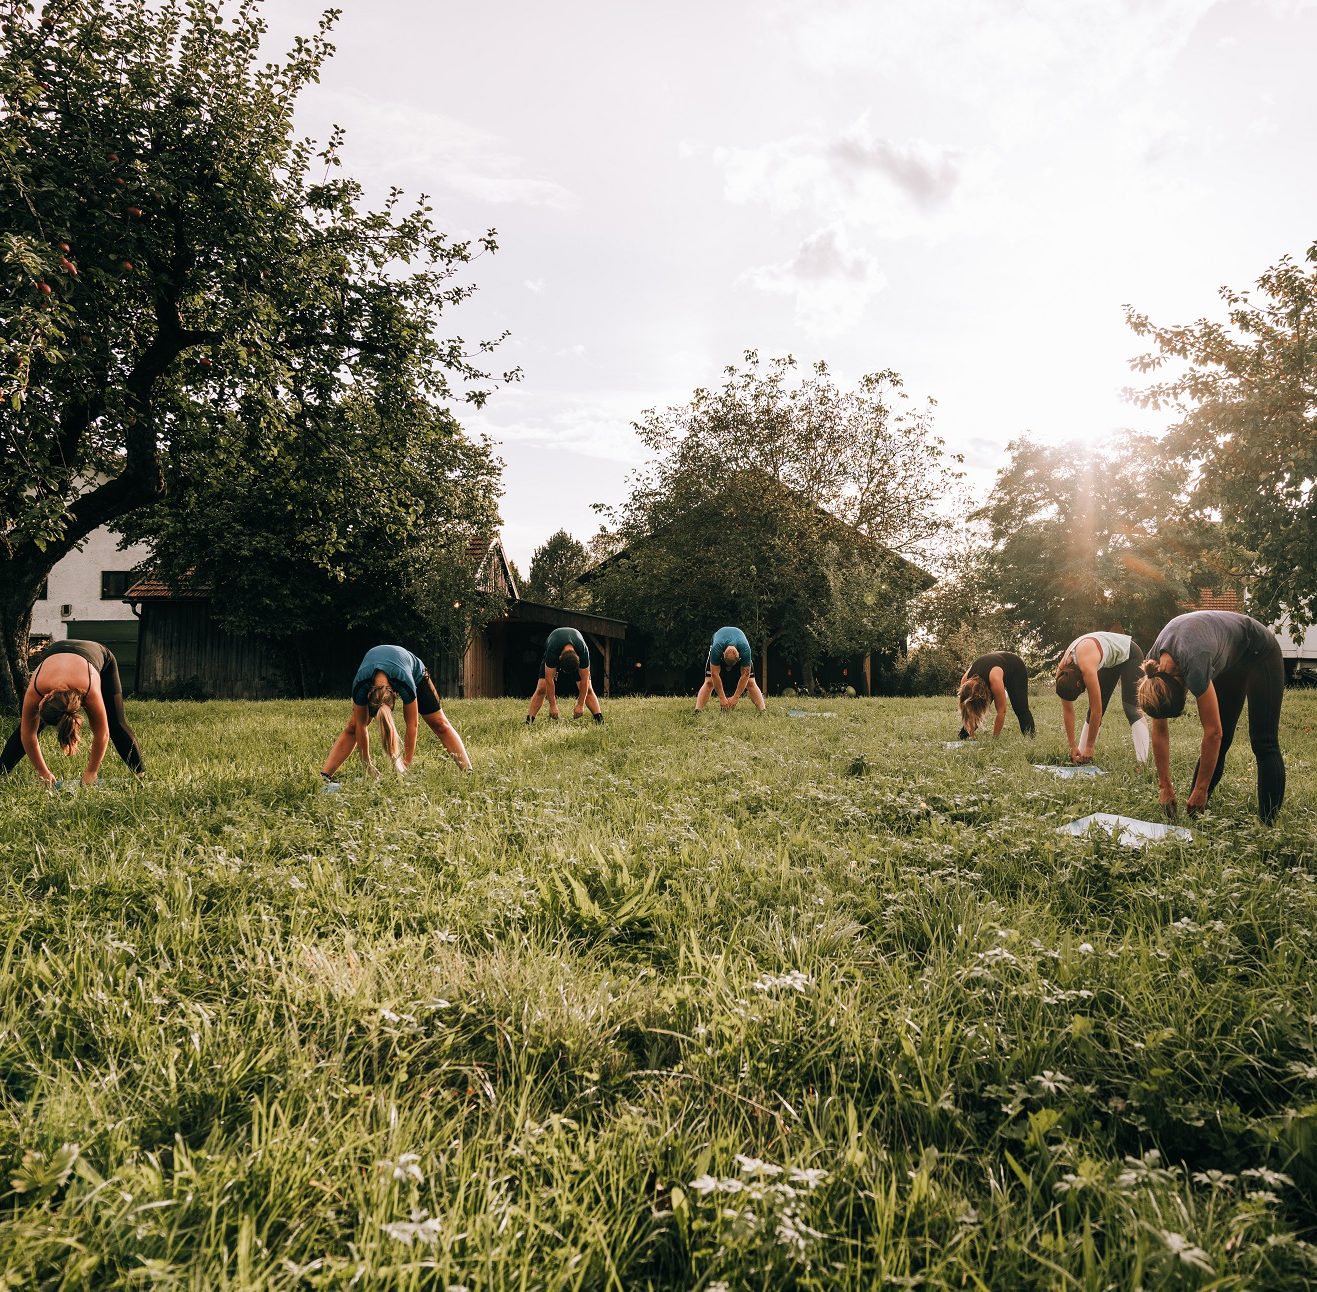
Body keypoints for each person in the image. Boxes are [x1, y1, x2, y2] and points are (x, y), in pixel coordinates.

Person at [1136, 610, 1284, 822]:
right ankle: (1196, 816)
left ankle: (1268, 827)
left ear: (1183, 683)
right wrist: (1164, 785)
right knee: (1221, 745)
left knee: (1264, 741)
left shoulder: (1194, 664)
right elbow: (1159, 729)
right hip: (1227, 656)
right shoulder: (1154, 670)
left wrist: (1201, 789)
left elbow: (1213, 733)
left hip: (1259, 652)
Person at [0, 638, 145, 785]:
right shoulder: (36, 689)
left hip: (97, 654)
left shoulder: (88, 690)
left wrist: (91, 772)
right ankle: (1, 774)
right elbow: (27, 734)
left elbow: (103, 733)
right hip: (57, 650)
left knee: (116, 723)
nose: (39, 702)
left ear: (47, 696)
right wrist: (43, 772)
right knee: (28, 727)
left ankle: (141, 774)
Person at [321, 644, 470, 784]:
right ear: (368, 695)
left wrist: (405, 764)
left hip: (415, 672)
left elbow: (412, 725)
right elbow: (361, 726)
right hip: (374, 671)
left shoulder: (405, 683)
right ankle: (325, 777)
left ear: (395, 695)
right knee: (353, 726)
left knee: (439, 723)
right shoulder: (361, 685)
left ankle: (469, 773)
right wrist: (367, 765)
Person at [1054, 631, 1150, 766]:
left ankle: (1143, 763)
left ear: (1079, 683)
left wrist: (1090, 747)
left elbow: (1096, 710)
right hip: (1109, 660)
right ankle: (1081, 757)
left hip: (1130, 654)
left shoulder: (1087, 668)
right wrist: (1072, 746)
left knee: (1131, 708)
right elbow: (1068, 711)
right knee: (1094, 710)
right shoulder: (1062, 675)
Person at [526, 627, 602, 723]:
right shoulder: (552, 653)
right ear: (559, 658)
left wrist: (580, 705)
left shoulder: (583, 651)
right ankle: (529, 721)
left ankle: (600, 720)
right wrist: (552, 706)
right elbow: (549, 680)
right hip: (554, 645)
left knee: (588, 688)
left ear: (578, 658)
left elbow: (585, 679)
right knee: (542, 687)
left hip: (574, 650)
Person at [957, 651, 1035, 739]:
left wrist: (994, 739)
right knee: (972, 709)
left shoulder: (994, 679)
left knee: (1020, 708)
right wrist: (971, 735)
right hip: (994, 667)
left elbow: (1001, 712)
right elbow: (968, 710)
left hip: (1015, 668)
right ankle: (964, 736)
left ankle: (1030, 738)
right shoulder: (965, 681)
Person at [696, 625, 766, 712]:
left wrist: (735, 698)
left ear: (739, 656)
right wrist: (722, 698)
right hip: (719, 644)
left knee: (751, 682)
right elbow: (714, 674)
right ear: (722, 654)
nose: (729, 668)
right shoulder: (716, 648)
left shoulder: (745, 649)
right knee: (709, 682)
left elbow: (745, 674)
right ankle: (697, 711)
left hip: (739, 644)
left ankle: (763, 711)